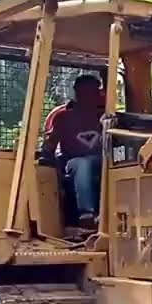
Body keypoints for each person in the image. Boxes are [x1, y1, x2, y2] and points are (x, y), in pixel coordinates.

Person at [41, 74, 104, 230]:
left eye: (94, 92)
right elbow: (50, 144)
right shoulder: (63, 117)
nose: (90, 97)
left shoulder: (105, 116)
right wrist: (44, 154)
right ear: (77, 93)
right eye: (85, 92)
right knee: (83, 164)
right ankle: (87, 215)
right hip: (74, 161)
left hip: (102, 160)